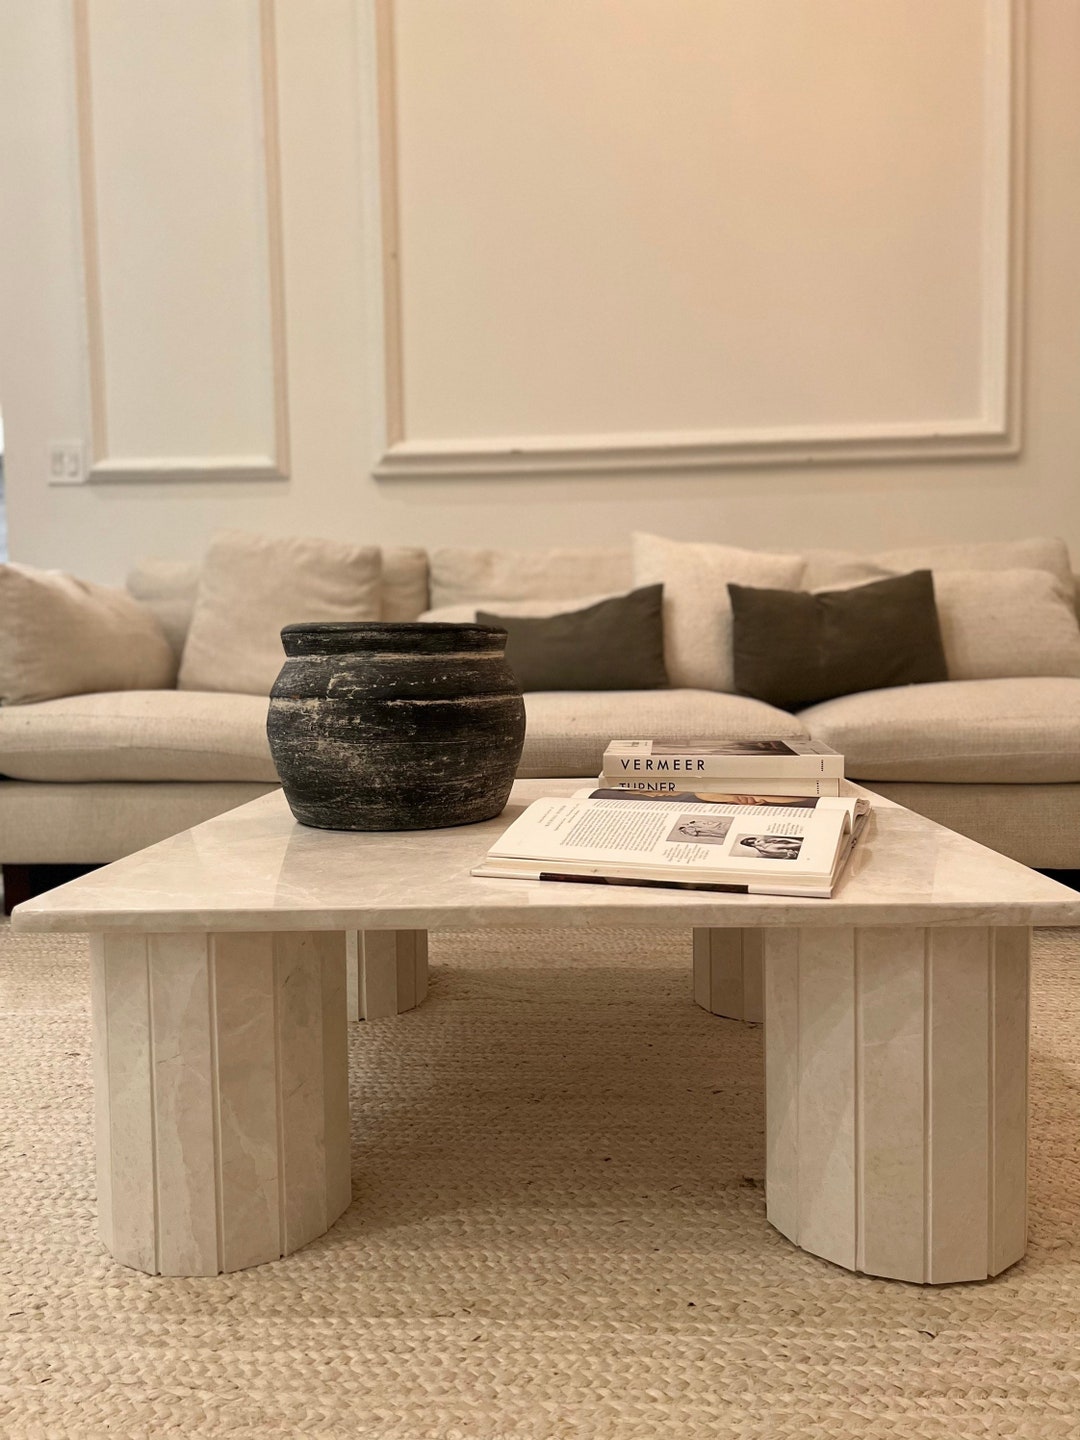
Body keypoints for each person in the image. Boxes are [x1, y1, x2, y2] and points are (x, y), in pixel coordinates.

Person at [737, 834, 802, 861]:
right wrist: (782, 839)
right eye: (758, 841)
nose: (761, 839)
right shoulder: (772, 847)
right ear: (754, 845)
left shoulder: (763, 851)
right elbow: (800, 844)